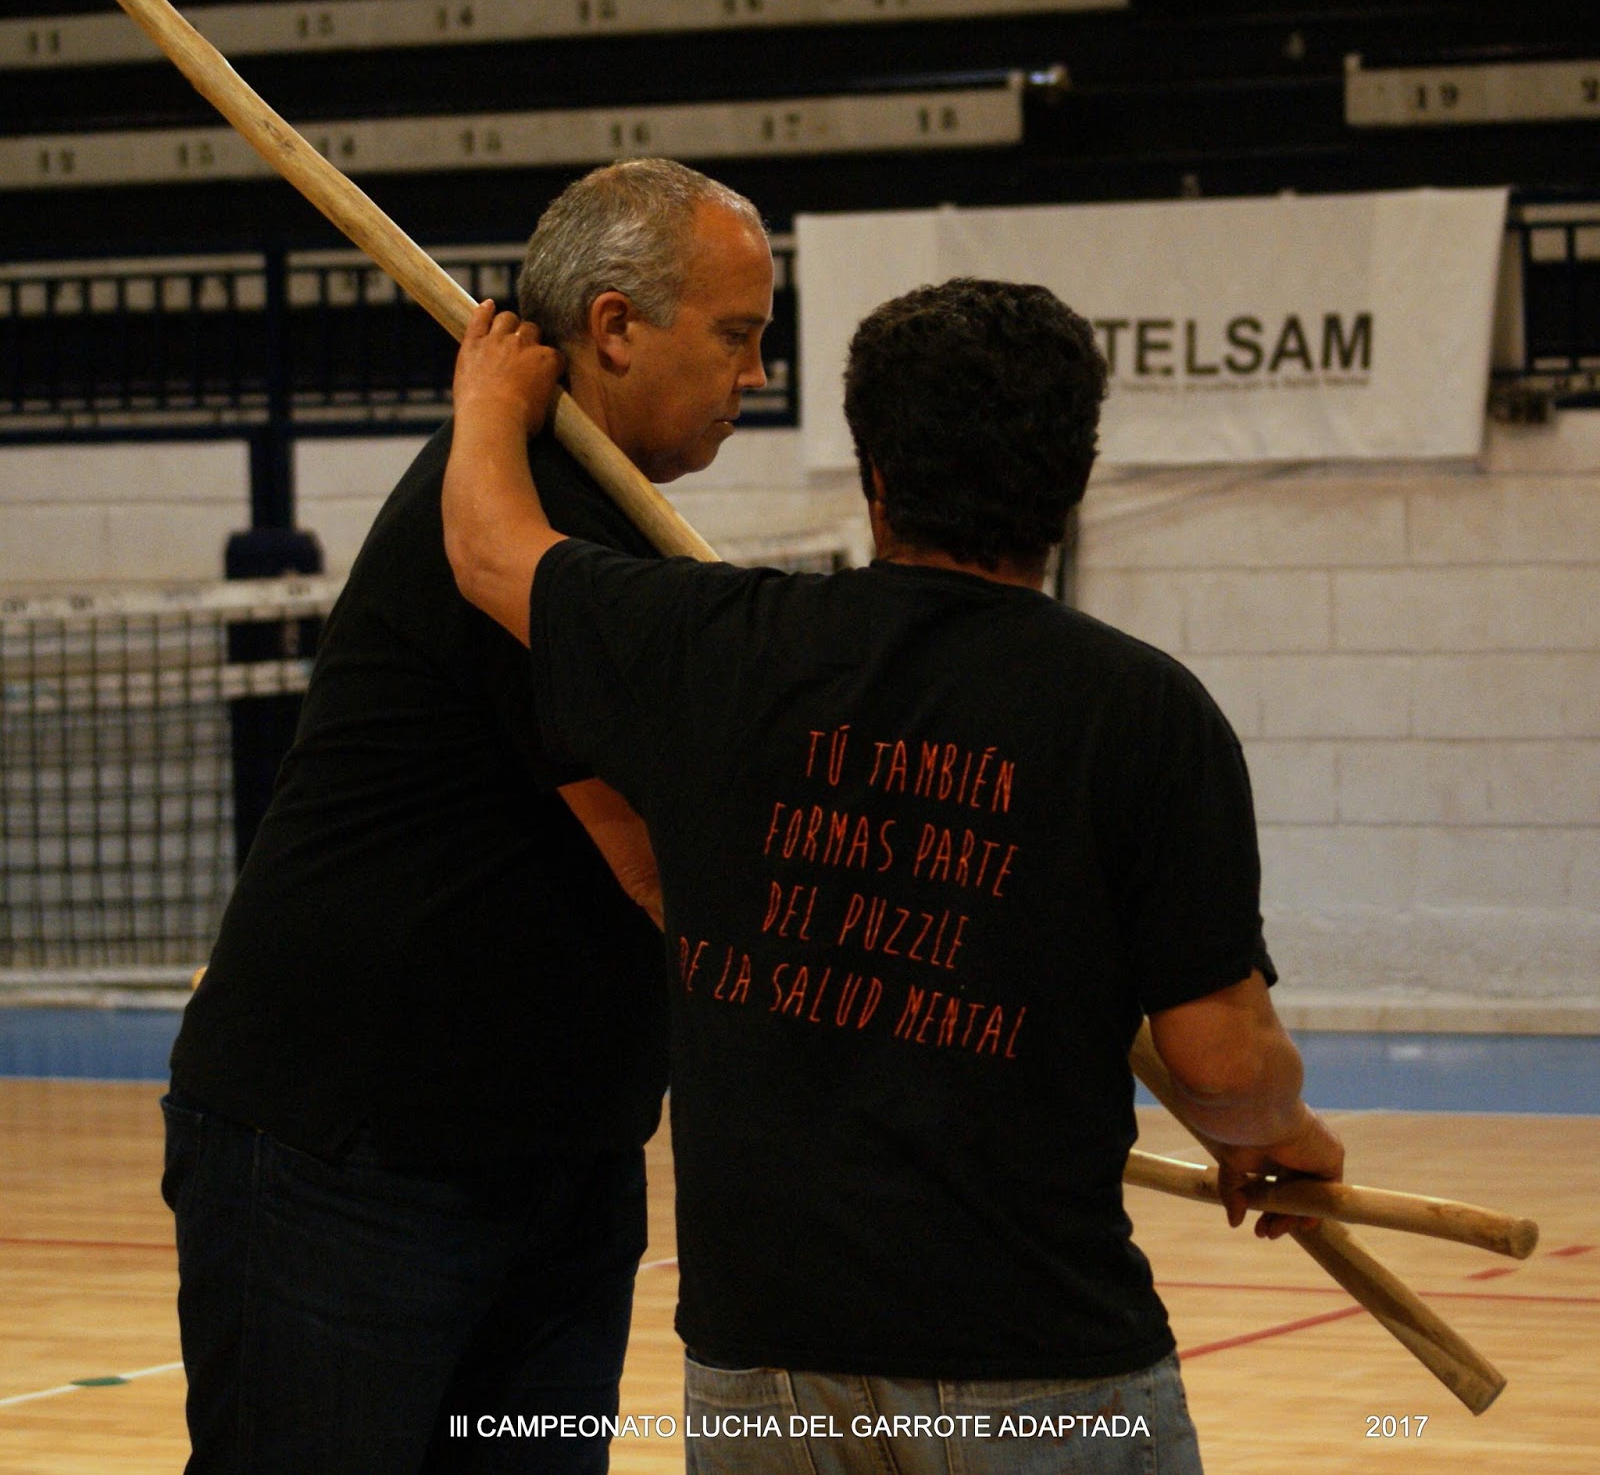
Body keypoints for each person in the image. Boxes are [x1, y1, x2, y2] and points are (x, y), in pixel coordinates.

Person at [440, 280, 1344, 1475]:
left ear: (874, 474)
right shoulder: (1144, 714)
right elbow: (1221, 1072)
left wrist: (488, 403)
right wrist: (1280, 1133)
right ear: (1072, 479)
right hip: (1041, 1366)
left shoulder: (714, 645)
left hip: (765, 1368)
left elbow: (488, 549)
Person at [162, 158, 773, 1473]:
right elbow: (665, 868)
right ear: (614, 325)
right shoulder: (512, 523)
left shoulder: (600, 530)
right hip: (354, 1160)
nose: (757, 373)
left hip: (555, 1162)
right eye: (738, 335)